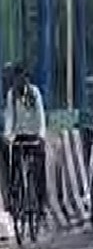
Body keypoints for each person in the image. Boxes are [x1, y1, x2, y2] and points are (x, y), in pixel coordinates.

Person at [3, 64, 47, 222]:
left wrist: (41, 135)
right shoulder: (12, 94)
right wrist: (8, 135)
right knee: (13, 165)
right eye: (17, 79)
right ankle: (14, 196)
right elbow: (9, 116)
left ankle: (41, 204)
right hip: (19, 136)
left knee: (39, 169)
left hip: (34, 136)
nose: (20, 82)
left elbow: (40, 115)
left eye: (22, 78)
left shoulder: (34, 93)